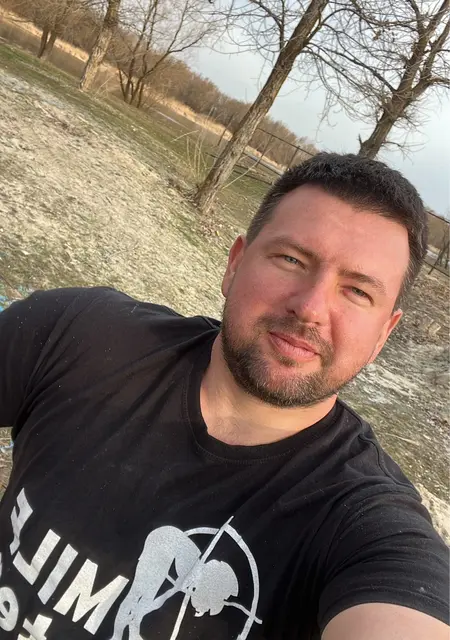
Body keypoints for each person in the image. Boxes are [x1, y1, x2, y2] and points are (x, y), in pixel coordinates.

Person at [0, 153, 448, 640]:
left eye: (358, 291)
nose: (310, 308)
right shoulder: (79, 337)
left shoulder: (362, 522)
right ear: (235, 264)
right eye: (292, 260)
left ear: (383, 335)